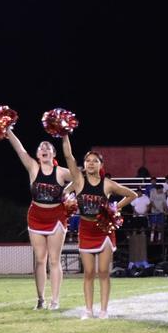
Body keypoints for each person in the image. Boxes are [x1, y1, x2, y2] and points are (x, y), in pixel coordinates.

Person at [61, 135, 140, 319]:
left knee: (103, 272)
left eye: (95, 161)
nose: (90, 163)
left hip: (104, 231)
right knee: (88, 273)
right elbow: (68, 157)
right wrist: (65, 135)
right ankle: (88, 310)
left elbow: (132, 194)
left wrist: (114, 208)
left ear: (101, 166)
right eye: (87, 160)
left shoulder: (107, 184)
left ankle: (104, 310)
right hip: (86, 230)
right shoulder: (79, 182)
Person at [1, 126, 71, 310]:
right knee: (40, 259)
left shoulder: (62, 172)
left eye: (48, 148)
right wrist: (7, 130)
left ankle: (55, 301)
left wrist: (69, 191)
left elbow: (80, 179)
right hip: (36, 217)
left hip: (56, 217)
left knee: (54, 260)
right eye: (41, 148)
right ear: (38, 155)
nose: (45, 149)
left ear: (54, 153)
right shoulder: (33, 167)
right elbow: (19, 148)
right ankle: (41, 299)